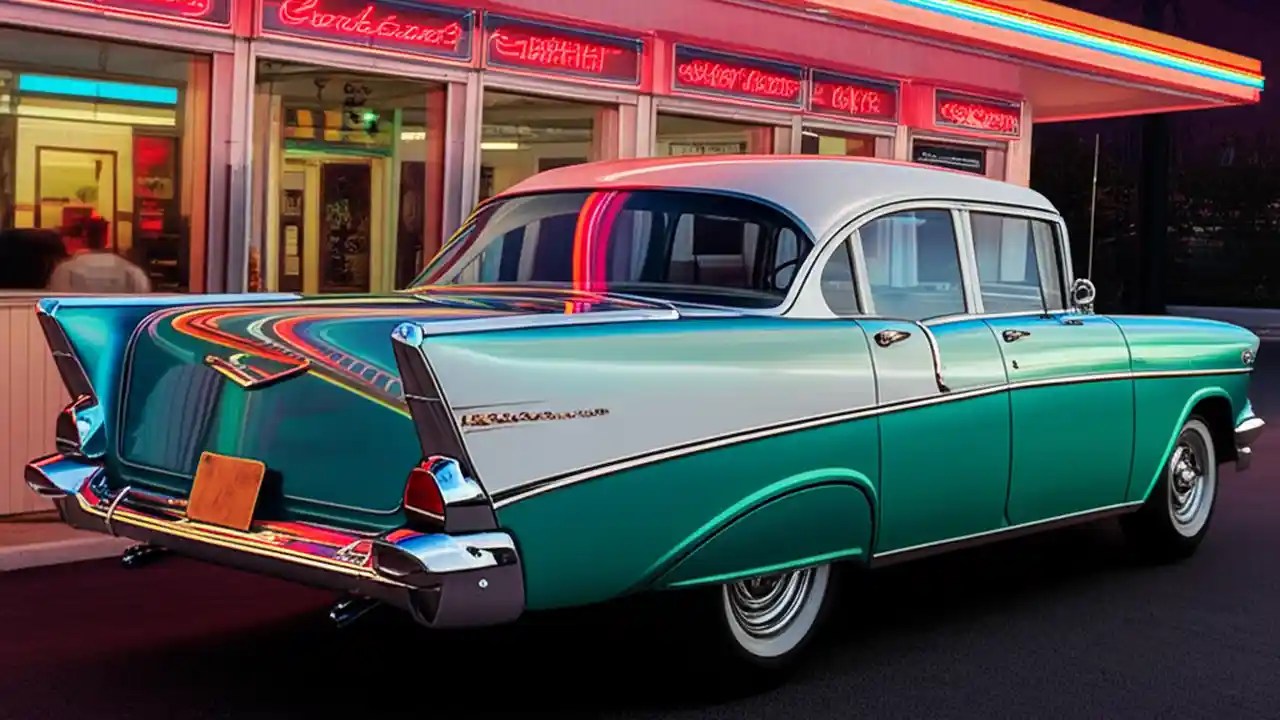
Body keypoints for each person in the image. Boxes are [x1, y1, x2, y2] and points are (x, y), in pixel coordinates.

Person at [46, 216, 151, 293]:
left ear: (83, 237)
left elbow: (59, 303)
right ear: (105, 236)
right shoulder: (132, 272)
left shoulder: (65, 271)